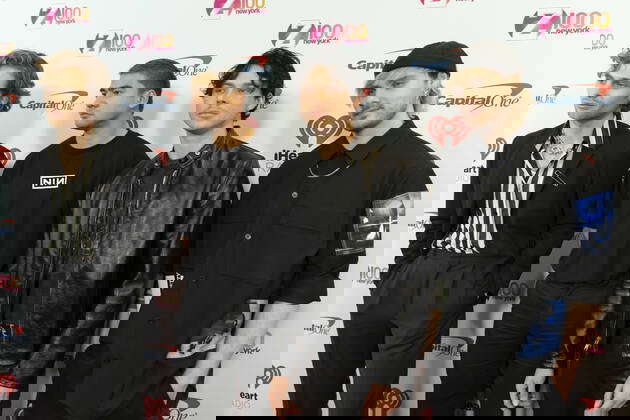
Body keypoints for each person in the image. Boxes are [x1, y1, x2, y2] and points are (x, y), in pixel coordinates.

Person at [21, 42, 451, 419]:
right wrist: (173, 276)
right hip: (179, 290)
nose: (374, 92)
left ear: (429, 92)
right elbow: (232, 224)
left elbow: (346, 257)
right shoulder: (311, 158)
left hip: (232, 311)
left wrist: (244, 318)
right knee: (83, 381)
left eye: (397, 84)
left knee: (112, 393)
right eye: (376, 83)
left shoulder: (412, 165)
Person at [287, 47, 630, 416]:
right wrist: (407, 260)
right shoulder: (530, 141)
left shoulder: (618, 151)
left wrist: (498, 275)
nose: (599, 89)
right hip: (429, 258)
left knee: (385, 365)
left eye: (617, 85)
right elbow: (457, 206)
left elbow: (568, 226)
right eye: (604, 79)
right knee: (341, 349)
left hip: (477, 271)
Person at [15, 48, 299, 420]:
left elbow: (137, 257)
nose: (216, 99)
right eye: (217, 89)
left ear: (256, 104)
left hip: (97, 325)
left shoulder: (234, 169)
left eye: (237, 92)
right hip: (45, 309)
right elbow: (78, 243)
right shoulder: (147, 167)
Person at [0, 58, 180, 275]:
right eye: (104, 92)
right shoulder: (49, 153)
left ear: (142, 98)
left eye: (116, 93)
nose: (97, 100)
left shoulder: (131, 163)